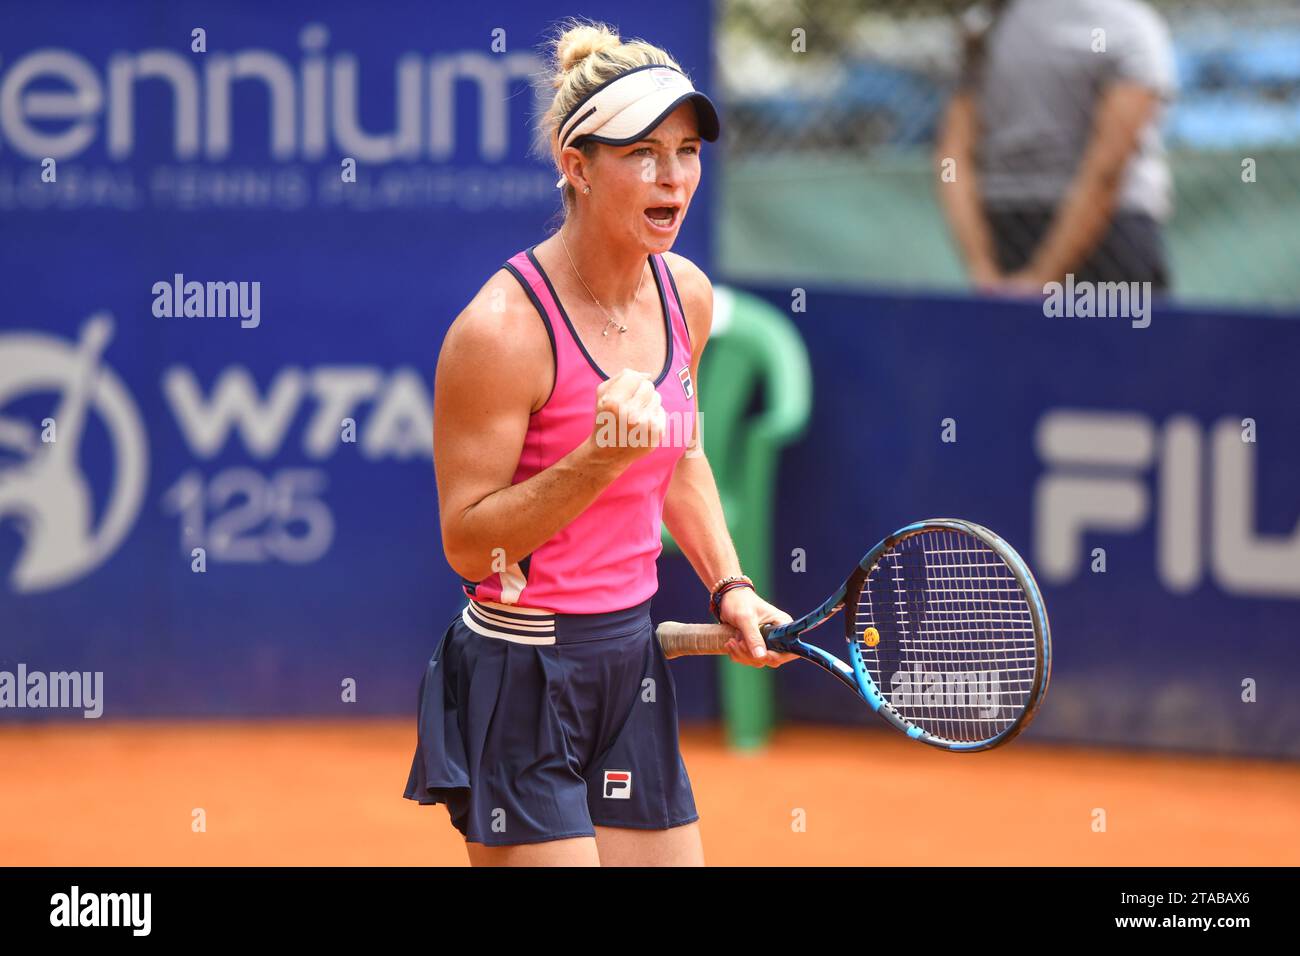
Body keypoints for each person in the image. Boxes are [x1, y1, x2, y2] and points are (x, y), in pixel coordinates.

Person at [403, 19, 797, 867]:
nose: (673, 177)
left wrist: (728, 583)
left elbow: (682, 456)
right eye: (643, 153)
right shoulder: (501, 332)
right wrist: (598, 460)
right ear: (576, 167)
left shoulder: (684, 293)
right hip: (521, 675)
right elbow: (469, 544)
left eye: (687, 150)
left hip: (632, 666)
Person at [936, 0, 1178, 293]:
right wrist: (1043, 278)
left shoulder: (984, 24)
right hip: (1110, 238)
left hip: (1006, 237)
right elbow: (1108, 168)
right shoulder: (1129, 25)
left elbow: (952, 160)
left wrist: (983, 269)